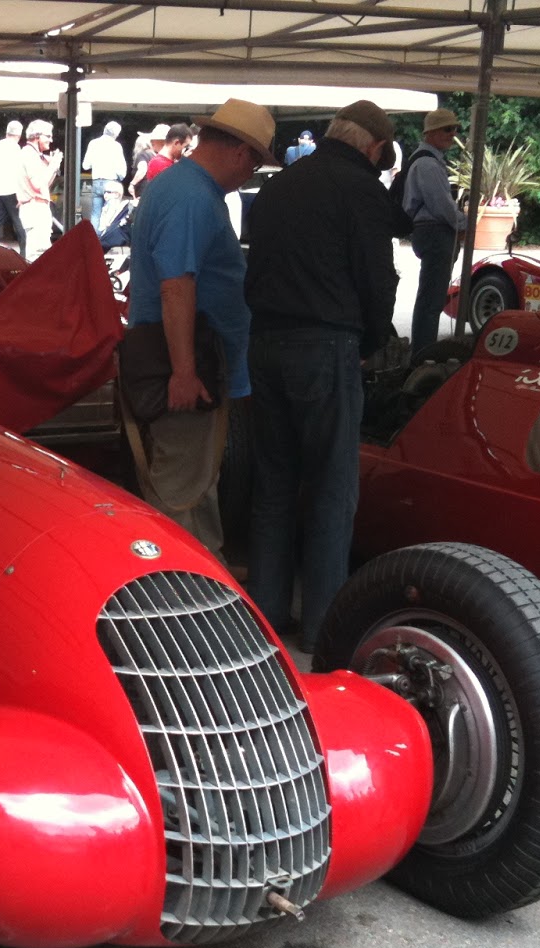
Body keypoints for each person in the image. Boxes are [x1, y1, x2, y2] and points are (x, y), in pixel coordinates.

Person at [244, 99, 398, 652]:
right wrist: (374, 342)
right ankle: (324, 631)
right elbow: (378, 282)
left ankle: (264, 616)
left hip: (264, 341)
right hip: (325, 343)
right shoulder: (360, 190)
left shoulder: (279, 185)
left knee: (275, 485)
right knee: (333, 488)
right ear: (374, 147)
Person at [127, 99, 273, 557]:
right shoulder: (190, 195)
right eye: (254, 161)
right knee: (182, 492)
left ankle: (192, 580)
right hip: (185, 363)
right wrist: (184, 371)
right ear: (239, 153)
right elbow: (177, 286)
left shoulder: (185, 188)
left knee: (192, 485)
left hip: (191, 357)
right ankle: (180, 592)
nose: (251, 173)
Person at [402, 107, 466, 357]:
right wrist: (464, 224)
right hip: (434, 232)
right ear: (431, 133)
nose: (453, 134)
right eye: (447, 129)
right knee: (431, 300)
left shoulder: (427, 161)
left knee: (430, 297)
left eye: (454, 129)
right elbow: (442, 207)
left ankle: (422, 353)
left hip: (429, 231)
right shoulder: (428, 164)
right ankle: (423, 356)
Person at [17, 118, 61, 263]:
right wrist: (53, 165)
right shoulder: (29, 155)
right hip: (34, 208)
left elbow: (45, 186)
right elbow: (38, 184)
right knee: (38, 256)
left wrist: (53, 168)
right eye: (48, 136)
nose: (51, 139)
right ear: (36, 136)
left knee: (41, 254)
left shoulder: (33, 155)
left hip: (37, 206)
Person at [0, 120, 25, 250]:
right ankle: (25, 251)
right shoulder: (15, 147)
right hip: (12, 190)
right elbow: (18, 171)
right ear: (19, 135)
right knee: (18, 221)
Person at [82, 120, 127, 229]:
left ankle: (92, 240)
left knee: (95, 214)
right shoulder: (116, 146)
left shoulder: (93, 143)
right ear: (116, 134)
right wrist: (121, 177)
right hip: (111, 183)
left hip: (97, 182)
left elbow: (85, 165)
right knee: (109, 214)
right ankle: (104, 240)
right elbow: (121, 169)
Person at [142, 123, 189, 189]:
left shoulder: (163, 161)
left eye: (154, 139)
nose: (151, 141)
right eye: (185, 146)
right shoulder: (160, 163)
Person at [127, 124, 166, 198]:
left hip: (144, 191)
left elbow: (142, 170)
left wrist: (132, 184)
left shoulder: (143, 155)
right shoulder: (155, 155)